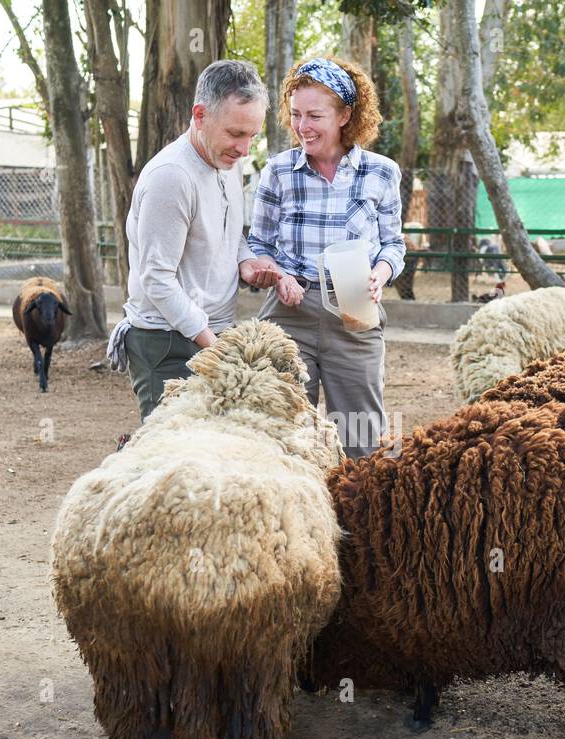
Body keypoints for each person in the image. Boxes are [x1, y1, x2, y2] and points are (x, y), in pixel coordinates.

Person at [247, 56, 405, 458]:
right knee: (278, 435)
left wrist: (380, 273)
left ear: (345, 115)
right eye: (296, 114)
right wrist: (277, 275)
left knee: (362, 440)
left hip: (354, 311)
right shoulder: (279, 171)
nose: (303, 127)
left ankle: (360, 520)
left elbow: (393, 244)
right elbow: (258, 246)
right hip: (288, 316)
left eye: (315, 115)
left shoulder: (381, 173)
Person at [109, 59, 280, 421]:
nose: (245, 148)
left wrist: (246, 262)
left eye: (253, 135)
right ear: (200, 115)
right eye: (236, 133)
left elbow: (231, 236)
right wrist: (215, 348)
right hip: (167, 340)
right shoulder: (172, 177)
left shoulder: (226, 163)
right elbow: (156, 277)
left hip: (214, 334)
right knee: (173, 458)